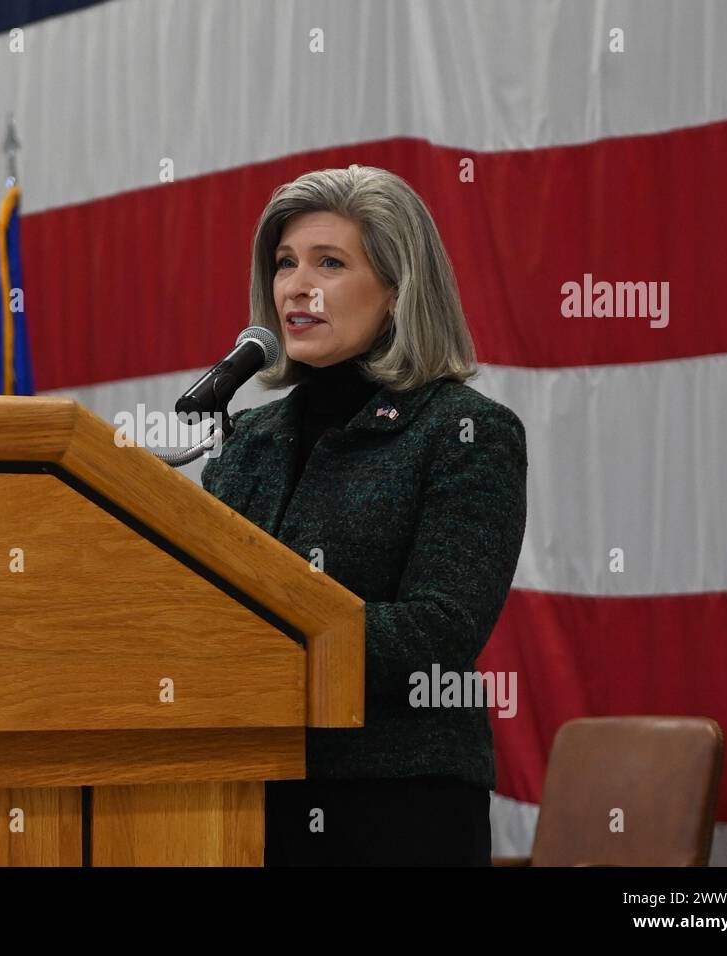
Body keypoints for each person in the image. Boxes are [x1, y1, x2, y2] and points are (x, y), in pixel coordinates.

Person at [201, 164, 527, 866]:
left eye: (330, 262)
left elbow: (440, 628)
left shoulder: (463, 431)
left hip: (396, 802)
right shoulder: (248, 440)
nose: (296, 285)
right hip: (242, 790)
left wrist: (267, 638)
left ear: (397, 290)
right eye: (285, 262)